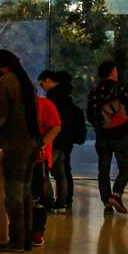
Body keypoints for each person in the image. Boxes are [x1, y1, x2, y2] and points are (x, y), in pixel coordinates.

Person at [0, 50, 41, 253]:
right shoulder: (27, 82)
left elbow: (1, 117)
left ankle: (16, 240)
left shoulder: (6, 82)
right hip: (32, 143)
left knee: (14, 194)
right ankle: (26, 239)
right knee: (25, 191)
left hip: (16, 145)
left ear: (0, 66)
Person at [87, 60, 128, 216]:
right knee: (125, 167)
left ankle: (107, 203)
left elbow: (90, 113)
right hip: (121, 135)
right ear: (113, 71)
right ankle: (117, 194)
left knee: (103, 170)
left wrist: (100, 126)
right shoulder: (121, 88)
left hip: (102, 136)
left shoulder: (95, 91)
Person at [39, 70, 85, 214]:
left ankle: (48, 201)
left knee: (44, 172)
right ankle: (63, 202)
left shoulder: (52, 98)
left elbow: (51, 122)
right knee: (63, 173)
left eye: (42, 84)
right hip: (66, 141)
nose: (42, 88)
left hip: (52, 141)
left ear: (48, 80)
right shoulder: (67, 97)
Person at [30, 85, 63, 248]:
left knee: (38, 197)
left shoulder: (45, 105)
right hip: (21, 158)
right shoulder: (18, 106)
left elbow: (56, 127)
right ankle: (23, 230)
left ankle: (37, 231)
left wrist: (40, 144)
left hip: (38, 159)